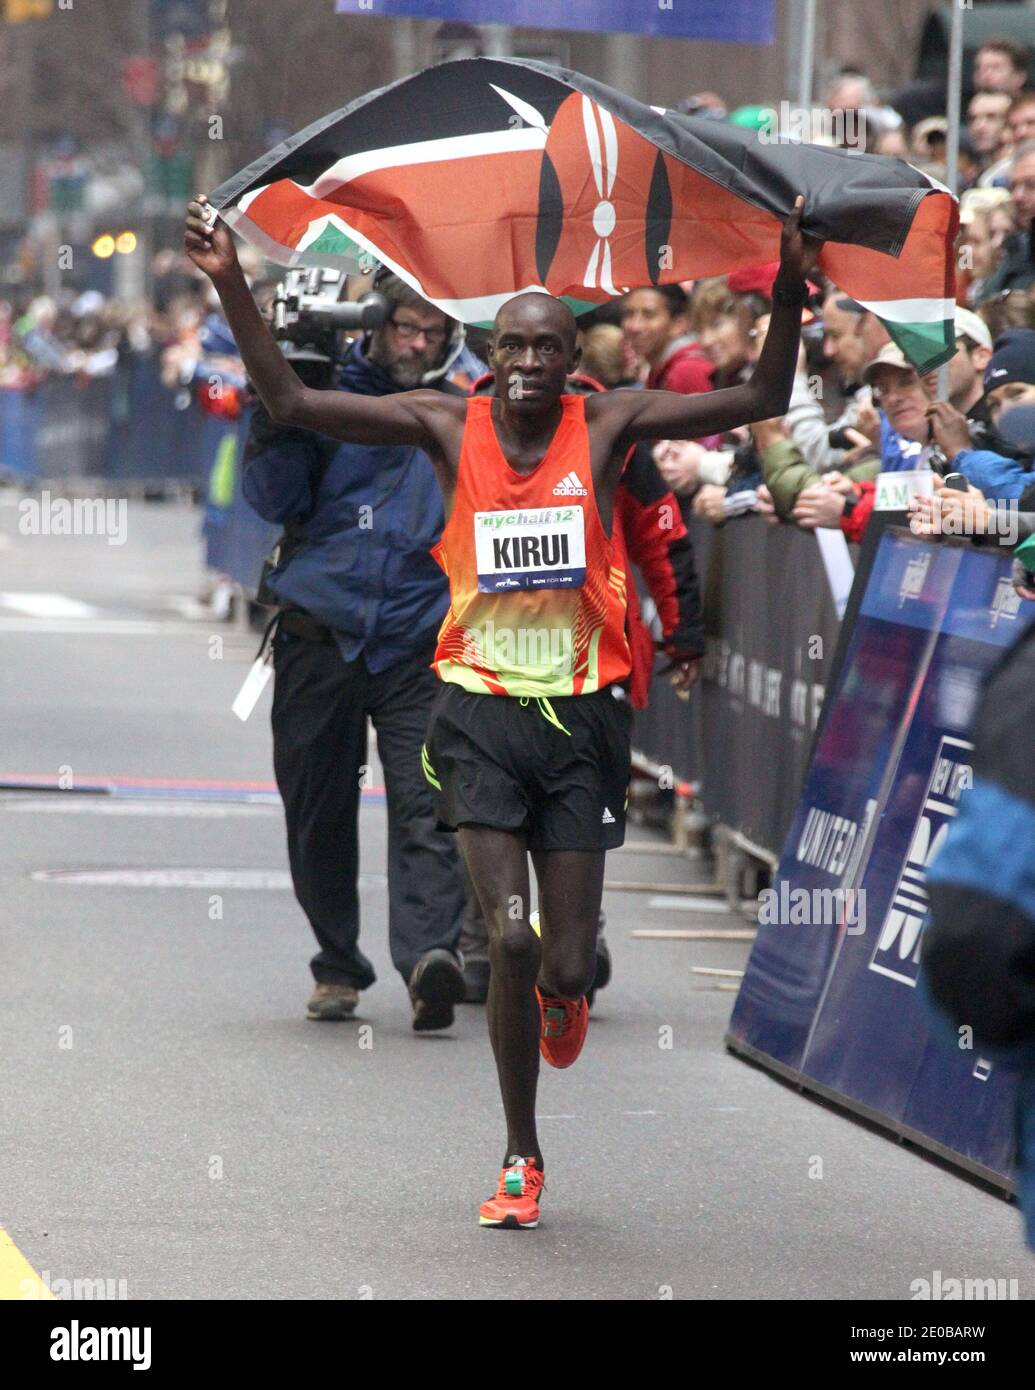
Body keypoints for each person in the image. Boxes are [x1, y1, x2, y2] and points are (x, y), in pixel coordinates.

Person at [185, 191, 819, 1230]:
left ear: (575, 360)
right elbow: (295, 407)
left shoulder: (609, 421)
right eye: (512, 346)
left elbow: (766, 390)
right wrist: (230, 284)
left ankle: (563, 995)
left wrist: (790, 282)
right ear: (490, 354)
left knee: (565, 963)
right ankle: (521, 1154)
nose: (526, 363)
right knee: (511, 939)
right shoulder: (446, 422)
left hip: (579, 722)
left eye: (546, 348)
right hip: (476, 712)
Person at [241, 274, 471, 1030]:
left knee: (429, 802)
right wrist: (274, 414)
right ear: (373, 323)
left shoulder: (465, 408)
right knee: (317, 810)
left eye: (432, 333)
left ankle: (429, 957)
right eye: (406, 327)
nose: (417, 344)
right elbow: (274, 499)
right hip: (320, 632)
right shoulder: (320, 394)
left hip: (419, 644)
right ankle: (336, 962)